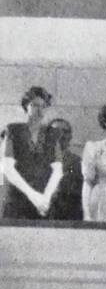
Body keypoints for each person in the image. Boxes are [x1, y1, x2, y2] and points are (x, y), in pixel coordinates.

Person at [1, 85, 61, 220]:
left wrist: (45, 198)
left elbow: (58, 170)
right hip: (17, 199)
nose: (39, 110)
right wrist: (33, 196)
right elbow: (7, 168)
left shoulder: (52, 133)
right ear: (26, 107)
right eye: (34, 105)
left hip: (44, 203)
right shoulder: (13, 130)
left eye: (43, 106)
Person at [44, 119, 83, 222]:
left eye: (65, 131)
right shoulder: (39, 161)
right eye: (56, 131)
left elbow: (81, 192)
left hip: (68, 216)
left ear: (70, 136)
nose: (61, 135)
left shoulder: (77, 162)